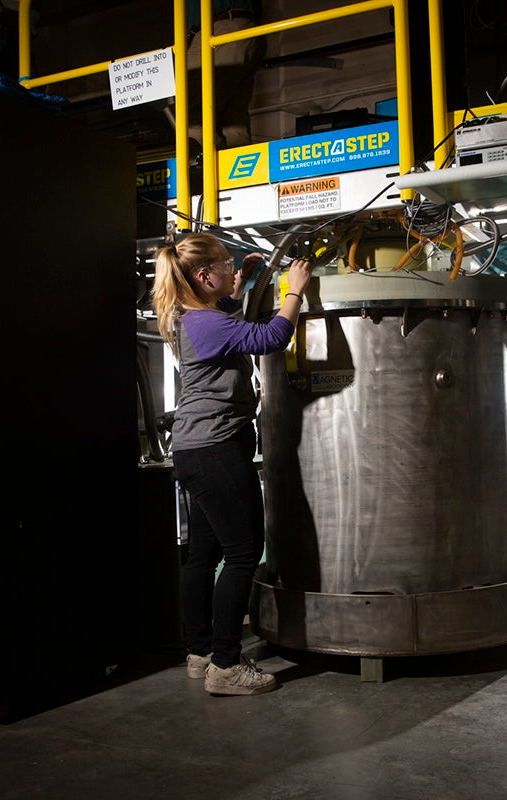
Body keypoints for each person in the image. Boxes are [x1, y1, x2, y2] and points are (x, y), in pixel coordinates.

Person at [151, 232, 312, 695]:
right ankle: (225, 665)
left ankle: (200, 651)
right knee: (242, 553)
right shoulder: (206, 322)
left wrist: (237, 287)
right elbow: (273, 336)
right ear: (203, 277)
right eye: (224, 264)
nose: (232, 266)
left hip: (195, 449)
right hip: (216, 447)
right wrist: (294, 290)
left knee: (203, 553)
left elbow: (227, 322)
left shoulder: (193, 315)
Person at [185, 0, 265, 149]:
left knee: (190, 116)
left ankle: (204, 168)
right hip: (246, 28)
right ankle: (239, 168)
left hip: (218, 29)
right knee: (233, 120)